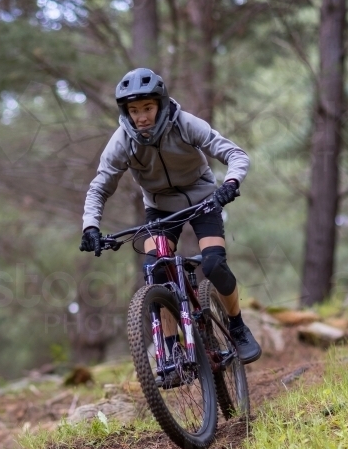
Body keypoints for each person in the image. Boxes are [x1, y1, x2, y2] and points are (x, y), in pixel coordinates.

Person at [79, 68, 261, 363]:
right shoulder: (122, 141)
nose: (141, 117)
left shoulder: (185, 123)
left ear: (160, 104)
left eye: (147, 108)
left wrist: (230, 183)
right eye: (134, 110)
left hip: (203, 200)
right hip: (160, 208)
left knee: (214, 264)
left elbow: (236, 154)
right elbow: (99, 187)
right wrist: (90, 227)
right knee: (158, 271)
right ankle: (171, 347)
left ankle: (237, 326)